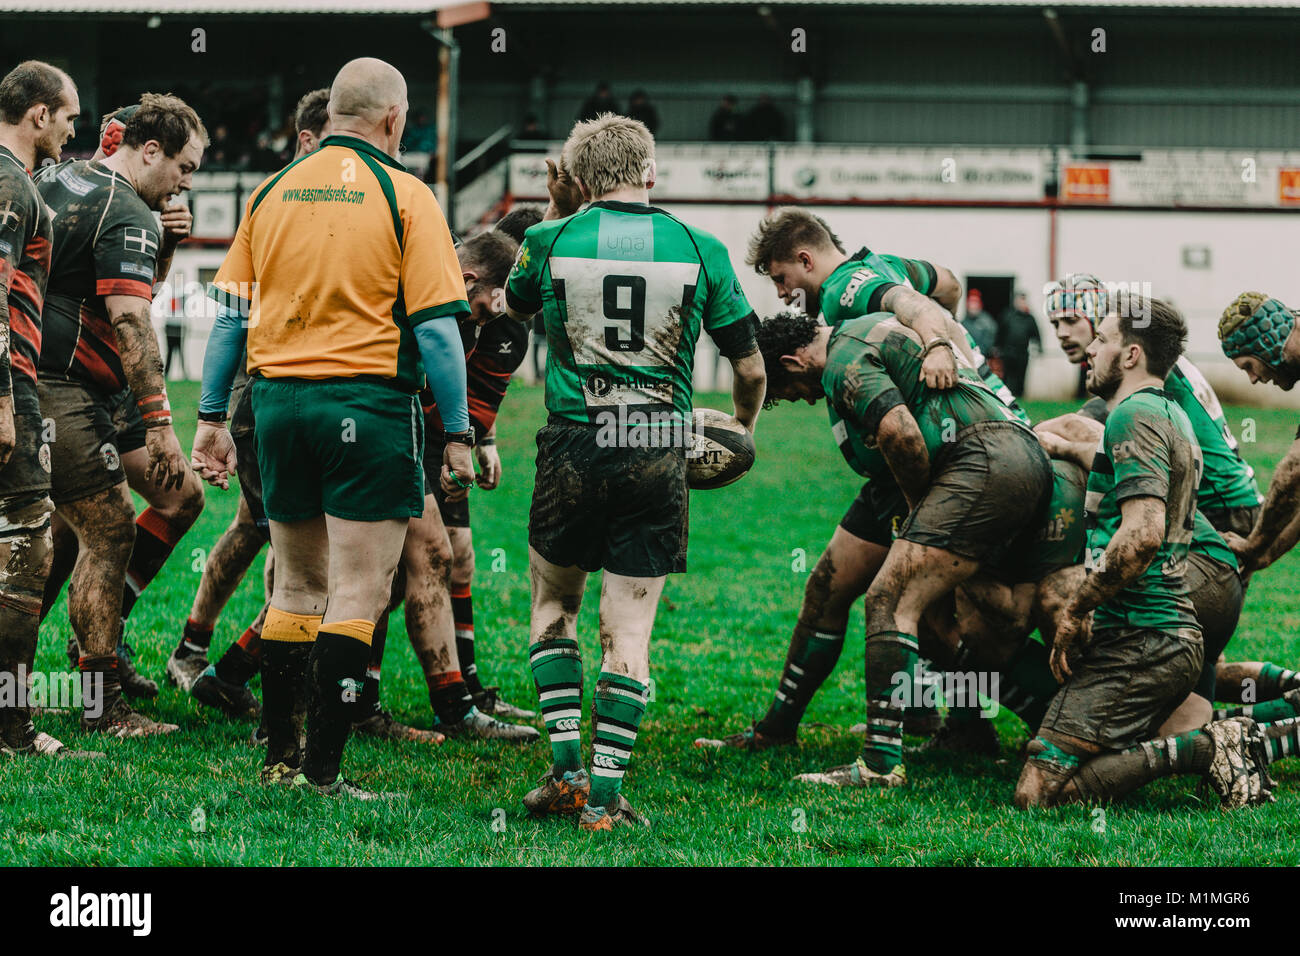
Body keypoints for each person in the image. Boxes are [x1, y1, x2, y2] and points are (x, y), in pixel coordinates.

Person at [192, 57, 474, 798]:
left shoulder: (272, 191)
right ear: (392, 119)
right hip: (368, 406)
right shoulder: (406, 194)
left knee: (296, 590)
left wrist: (211, 417)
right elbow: (439, 334)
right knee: (357, 593)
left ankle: (280, 760)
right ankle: (322, 774)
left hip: (277, 405)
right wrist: (462, 432)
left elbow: (229, 317)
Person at [503, 115, 767, 830]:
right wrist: (743, 427)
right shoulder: (700, 247)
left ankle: (564, 773)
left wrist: (555, 220)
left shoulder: (545, 240)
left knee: (554, 609)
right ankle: (606, 799)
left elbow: (512, 308)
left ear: (581, 179)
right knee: (630, 631)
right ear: (650, 172)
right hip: (656, 445)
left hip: (572, 445)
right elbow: (749, 365)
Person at [1013, 295, 1274, 810]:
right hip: (1156, 632)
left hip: (1147, 635)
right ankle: (1201, 745)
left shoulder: (1135, 416)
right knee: (1058, 765)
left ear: (1131, 355)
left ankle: (1208, 748)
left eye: (1103, 340)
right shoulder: (1170, 414)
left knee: (1036, 794)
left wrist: (1078, 607)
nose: (1090, 348)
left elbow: (1142, 535)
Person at [38, 93, 207, 736]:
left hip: (91, 381)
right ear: (150, 151)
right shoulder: (128, 209)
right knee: (108, 529)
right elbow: (132, 320)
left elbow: (123, 286)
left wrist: (163, 247)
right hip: (67, 385)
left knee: (180, 498)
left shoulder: (65, 174)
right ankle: (98, 700)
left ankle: (103, 634)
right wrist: (161, 422)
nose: (186, 182)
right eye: (184, 168)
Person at [173, 88, 330, 698]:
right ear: (309, 139)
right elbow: (235, 312)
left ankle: (208, 651)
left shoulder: (323, 193)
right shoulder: (280, 197)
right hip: (268, 383)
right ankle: (231, 667)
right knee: (290, 540)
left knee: (256, 529)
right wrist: (218, 411)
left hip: (278, 383)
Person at [0, 59, 95, 758]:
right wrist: (4, 399)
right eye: (68, 114)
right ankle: (11, 728)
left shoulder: (18, 182)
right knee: (25, 551)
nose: (74, 127)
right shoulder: (7, 182)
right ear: (37, 113)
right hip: (11, 384)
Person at [995, 289, 1041, 396]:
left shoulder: (1029, 319)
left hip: (1022, 353)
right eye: (1019, 300)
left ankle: (1020, 396)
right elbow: (1000, 333)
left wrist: (1039, 348)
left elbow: (1036, 335)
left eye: (1023, 300)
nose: (1021, 303)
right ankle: (1006, 397)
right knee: (1007, 377)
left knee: (1021, 377)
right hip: (1008, 353)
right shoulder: (1007, 316)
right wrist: (997, 347)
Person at [962, 289, 997, 358]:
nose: (973, 306)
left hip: (983, 357)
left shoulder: (987, 321)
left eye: (975, 303)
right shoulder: (964, 322)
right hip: (969, 357)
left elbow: (991, 339)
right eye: (971, 303)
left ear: (980, 304)